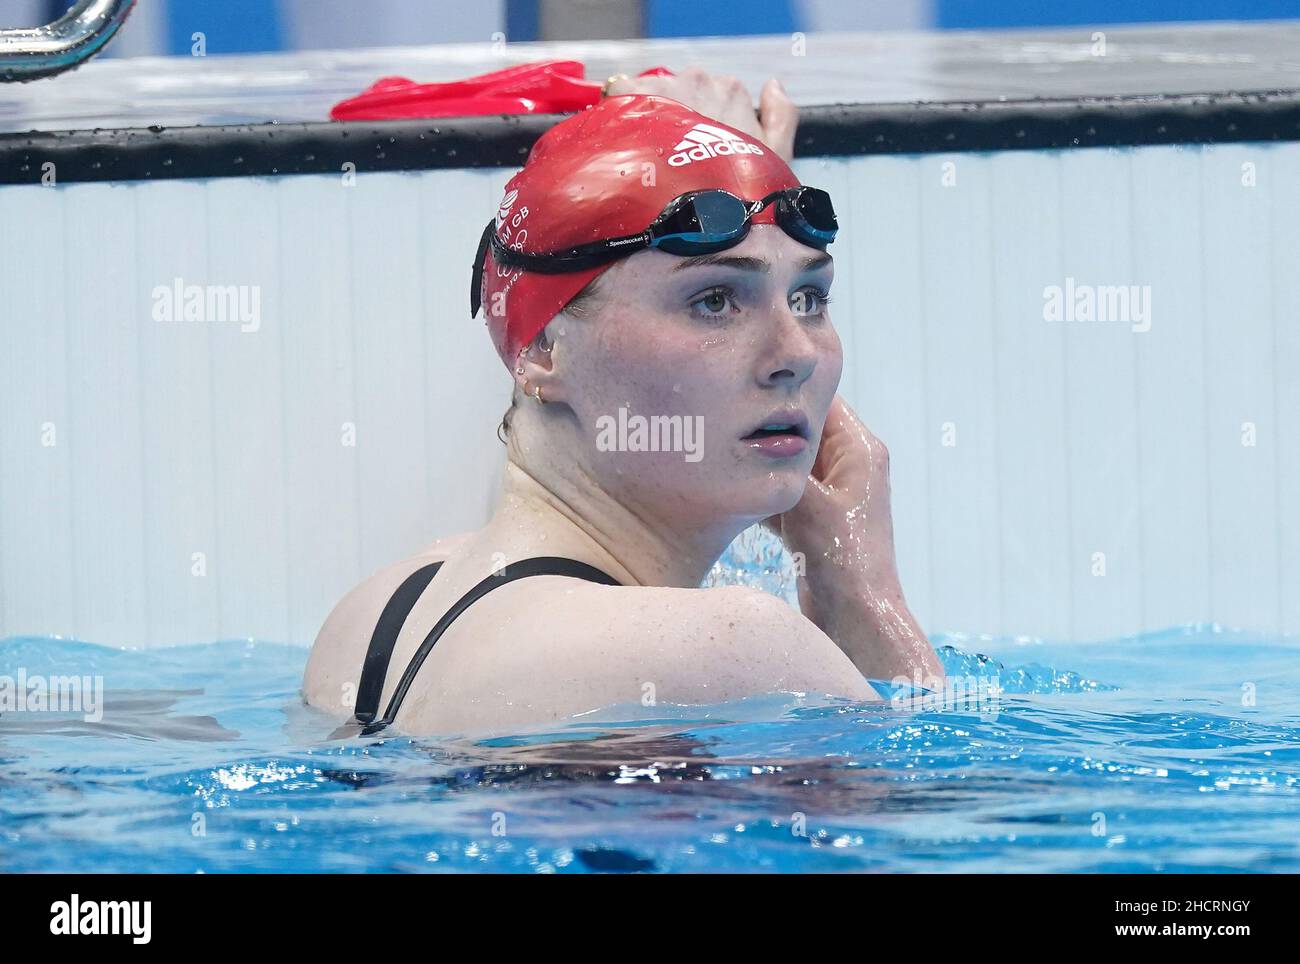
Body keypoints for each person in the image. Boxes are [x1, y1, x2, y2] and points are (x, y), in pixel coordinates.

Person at [303, 68, 944, 738]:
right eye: (715, 302)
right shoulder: (745, 649)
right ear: (546, 351)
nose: (798, 354)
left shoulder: (372, 618)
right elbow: (925, 825)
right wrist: (863, 591)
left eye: (808, 298)